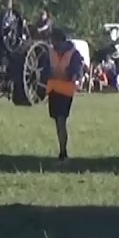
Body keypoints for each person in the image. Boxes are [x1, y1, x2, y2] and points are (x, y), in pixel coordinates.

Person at [41, 29, 85, 162]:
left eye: (55, 41)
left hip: (65, 92)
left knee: (61, 121)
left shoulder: (74, 54)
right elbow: (45, 70)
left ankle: (63, 152)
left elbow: (75, 72)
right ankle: (62, 150)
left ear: (62, 41)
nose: (53, 44)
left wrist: (71, 76)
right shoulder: (50, 53)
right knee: (58, 123)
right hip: (54, 91)